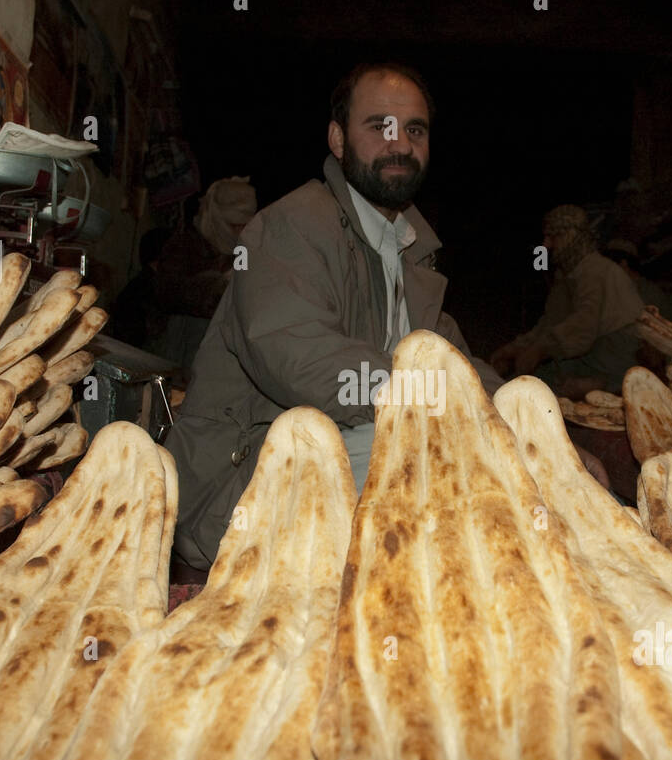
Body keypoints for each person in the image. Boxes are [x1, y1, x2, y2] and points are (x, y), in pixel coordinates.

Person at [164, 63, 503, 570]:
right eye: (378, 126)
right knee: (433, 464)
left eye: (415, 130)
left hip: (330, 483)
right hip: (239, 497)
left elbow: (459, 362)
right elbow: (300, 360)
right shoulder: (289, 227)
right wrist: (441, 398)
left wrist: (536, 430)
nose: (400, 144)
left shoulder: (409, 251)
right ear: (338, 140)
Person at [490, 205, 645, 394]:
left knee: (551, 387)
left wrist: (539, 350)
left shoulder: (595, 269)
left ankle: (602, 386)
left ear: (569, 236)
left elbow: (583, 328)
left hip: (617, 355)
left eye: (552, 237)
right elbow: (551, 321)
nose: (546, 245)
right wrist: (513, 349)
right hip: (592, 352)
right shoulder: (568, 274)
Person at [150, 177, 258, 368]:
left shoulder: (244, 252)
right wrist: (217, 286)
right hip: (177, 354)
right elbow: (165, 293)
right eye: (234, 226)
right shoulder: (185, 245)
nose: (240, 232)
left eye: (245, 226)